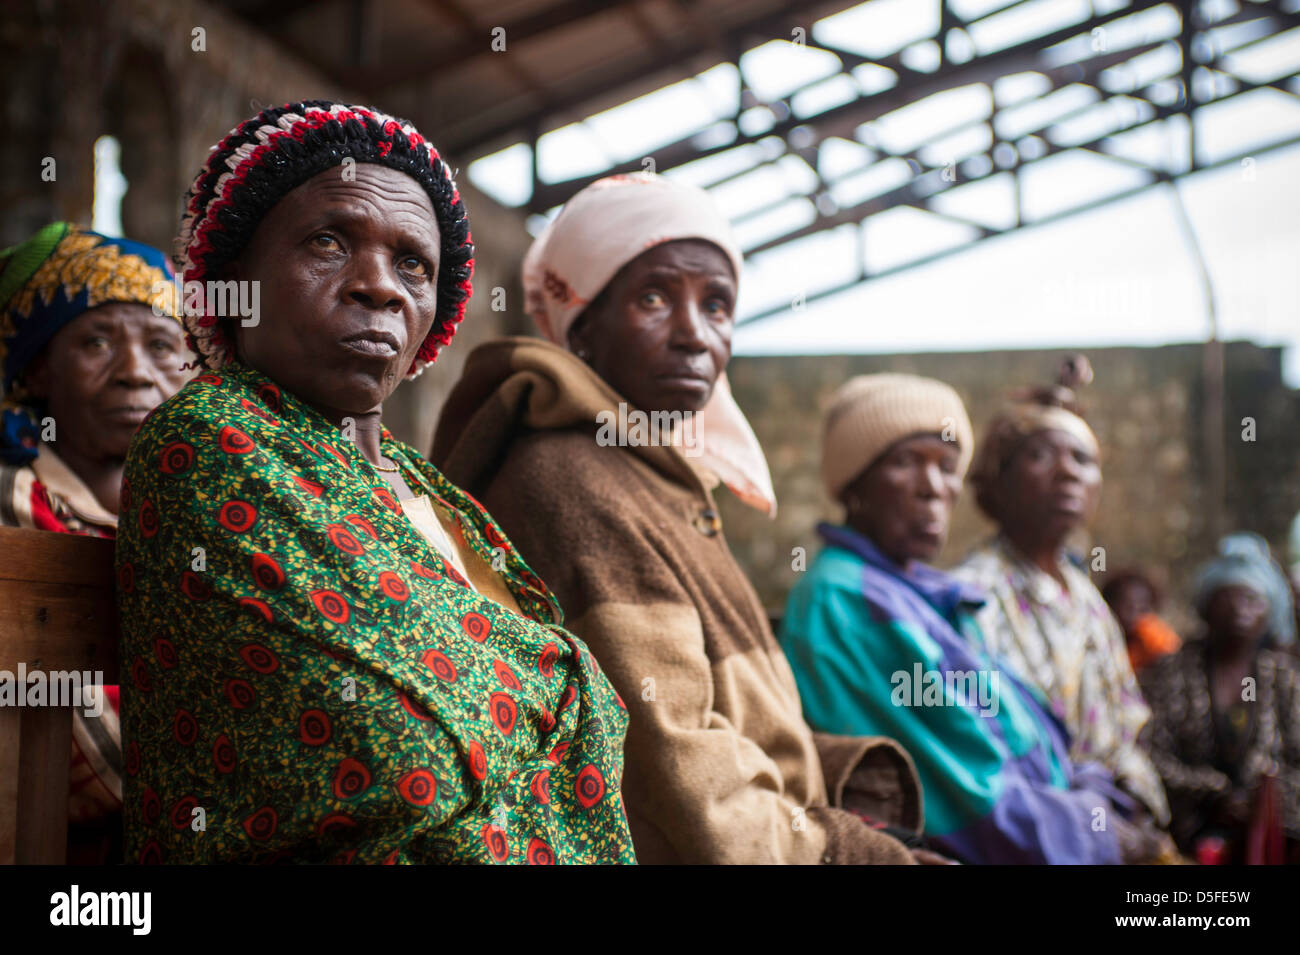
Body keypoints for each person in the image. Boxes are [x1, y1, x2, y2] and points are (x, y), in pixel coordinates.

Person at [115, 101, 635, 864]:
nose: (379, 287)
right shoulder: (211, 442)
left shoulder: (426, 487)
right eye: (329, 241)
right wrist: (548, 691)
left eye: (412, 264)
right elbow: (401, 759)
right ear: (234, 278)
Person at [433, 173, 926, 864]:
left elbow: (728, 717)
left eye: (717, 304)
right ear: (585, 328)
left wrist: (842, 773)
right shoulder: (570, 480)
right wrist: (861, 854)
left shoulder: (655, 477)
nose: (696, 334)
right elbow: (684, 784)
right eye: (655, 297)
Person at [779, 373, 1166, 864]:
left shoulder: (925, 598)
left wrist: (1096, 795)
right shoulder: (850, 603)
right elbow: (969, 801)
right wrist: (1103, 836)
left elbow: (1029, 741)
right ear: (854, 485)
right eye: (904, 463)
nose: (933, 488)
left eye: (946, 465)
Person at [0, 221, 189, 861]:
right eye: (96, 342)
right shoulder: (15, 505)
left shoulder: (199, 517)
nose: (136, 374)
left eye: (163, 344)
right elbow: (98, 762)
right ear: (36, 373)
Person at [953, 357, 1171, 829]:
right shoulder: (972, 595)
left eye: (1083, 460)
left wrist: (1134, 809)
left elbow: (1126, 731)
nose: (1068, 472)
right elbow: (979, 753)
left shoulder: (1088, 601)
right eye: (1041, 455)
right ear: (998, 483)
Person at [1140, 534, 1300, 863]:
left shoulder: (1285, 679)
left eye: (1253, 600)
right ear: (1206, 606)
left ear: (1269, 613)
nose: (1240, 609)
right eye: (1228, 597)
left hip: (1275, 834)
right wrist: (1216, 795)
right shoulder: (1169, 673)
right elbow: (1149, 754)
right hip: (1184, 832)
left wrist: (1265, 799)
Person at [1101, 569, 1182, 674]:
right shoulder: (1102, 642)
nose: (1135, 615)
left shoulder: (1156, 640)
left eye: (1143, 608)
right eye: (1128, 607)